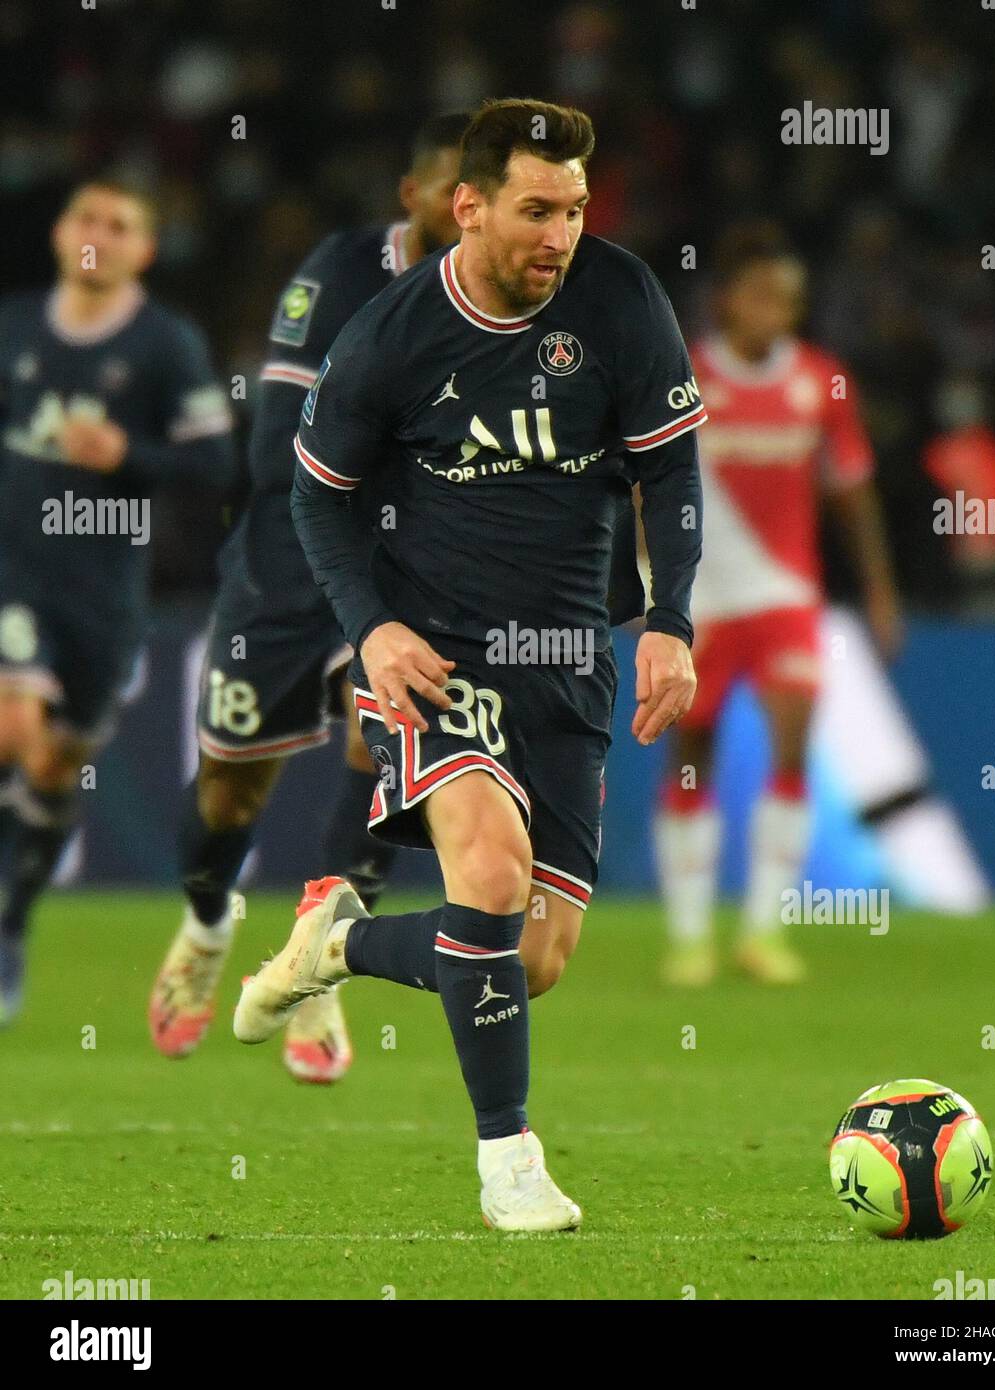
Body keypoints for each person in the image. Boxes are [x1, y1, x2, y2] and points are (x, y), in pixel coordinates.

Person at [234, 98, 705, 1230]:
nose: (561, 235)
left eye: (577, 209)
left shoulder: (623, 298)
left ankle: (335, 942)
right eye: (536, 209)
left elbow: (674, 473)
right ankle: (508, 1162)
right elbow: (318, 494)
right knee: (486, 878)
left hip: (569, 662)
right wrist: (372, 630)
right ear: (468, 206)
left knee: (530, 958)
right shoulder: (393, 337)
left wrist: (673, 619)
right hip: (434, 656)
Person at [148, 114, 471, 1083]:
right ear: (414, 196)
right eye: (453, 192)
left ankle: (318, 961)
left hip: (405, 563)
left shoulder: (507, 297)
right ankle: (208, 921)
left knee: (382, 742)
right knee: (229, 787)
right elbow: (278, 442)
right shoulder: (339, 275)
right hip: (290, 554)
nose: (468, 212)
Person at [0, 181, 235, 1024]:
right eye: (85, 218)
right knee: (14, 722)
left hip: (102, 589)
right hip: (11, 568)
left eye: (119, 225)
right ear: (61, 233)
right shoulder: (15, 328)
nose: (97, 234)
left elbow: (213, 462)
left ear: (145, 250)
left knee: (57, 761)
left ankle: (12, 921)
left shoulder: (165, 344)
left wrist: (126, 454)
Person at [653, 225, 902, 988]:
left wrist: (880, 590)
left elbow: (853, 492)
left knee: (792, 744)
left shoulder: (821, 382)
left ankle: (763, 931)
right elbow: (644, 483)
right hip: (702, 600)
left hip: (789, 593)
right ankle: (690, 937)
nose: (777, 312)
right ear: (727, 298)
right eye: (763, 295)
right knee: (693, 755)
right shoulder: (686, 376)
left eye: (790, 300)